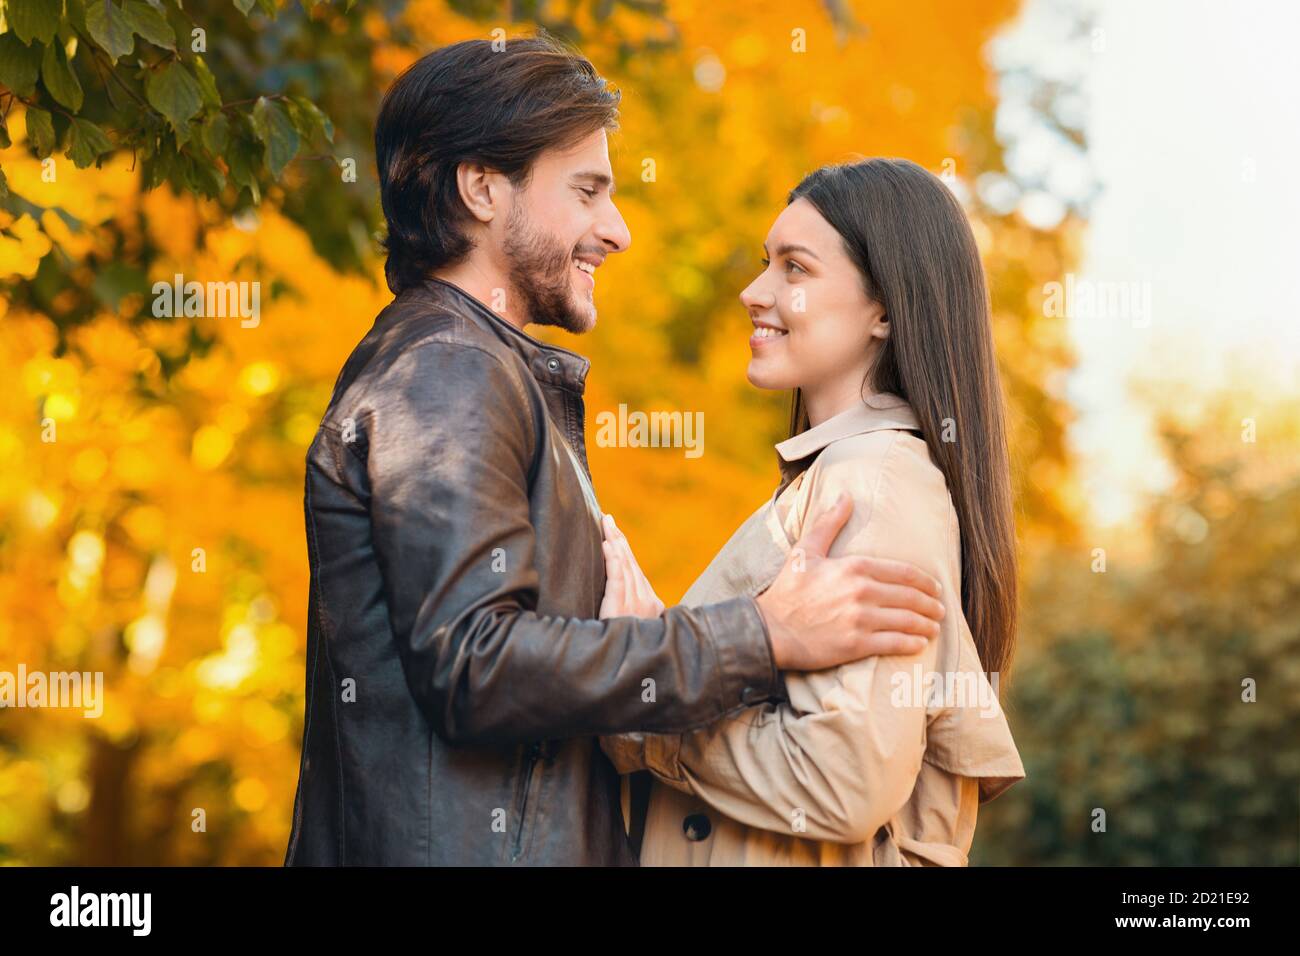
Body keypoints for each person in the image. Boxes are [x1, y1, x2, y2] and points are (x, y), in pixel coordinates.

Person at [284, 38, 945, 866]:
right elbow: (475, 667)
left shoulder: (477, 367)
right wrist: (757, 637)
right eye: (588, 191)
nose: (618, 230)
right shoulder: (446, 369)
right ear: (483, 188)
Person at [599, 159, 1026, 865]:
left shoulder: (874, 482)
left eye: (794, 269)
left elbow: (841, 781)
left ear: (884, 309)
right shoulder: (834, 479)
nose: (754, 292)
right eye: (767, 263)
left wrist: (645, 708)